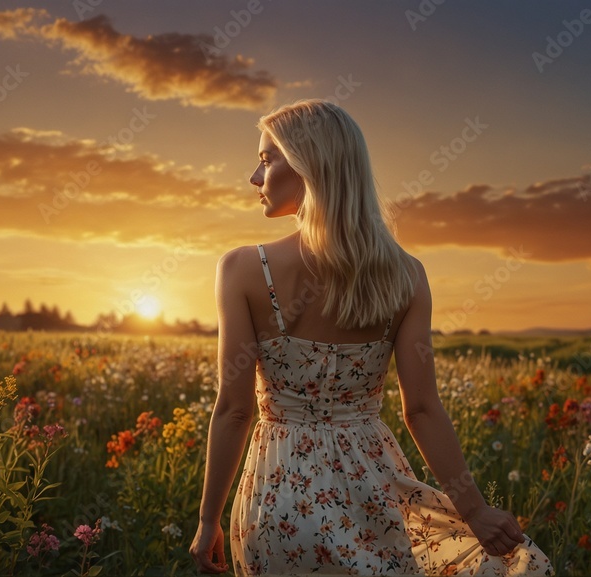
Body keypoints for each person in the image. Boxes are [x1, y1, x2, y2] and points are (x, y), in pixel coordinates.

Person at [190, 100, 551, 576]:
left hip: (278, 499)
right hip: (372, 494)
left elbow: (235, 410)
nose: (254, 178)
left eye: (265, 159)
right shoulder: (406, 276)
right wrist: (476, 511)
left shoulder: (241, 269)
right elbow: (422, 410)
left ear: (307, 164)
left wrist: (208, 520)